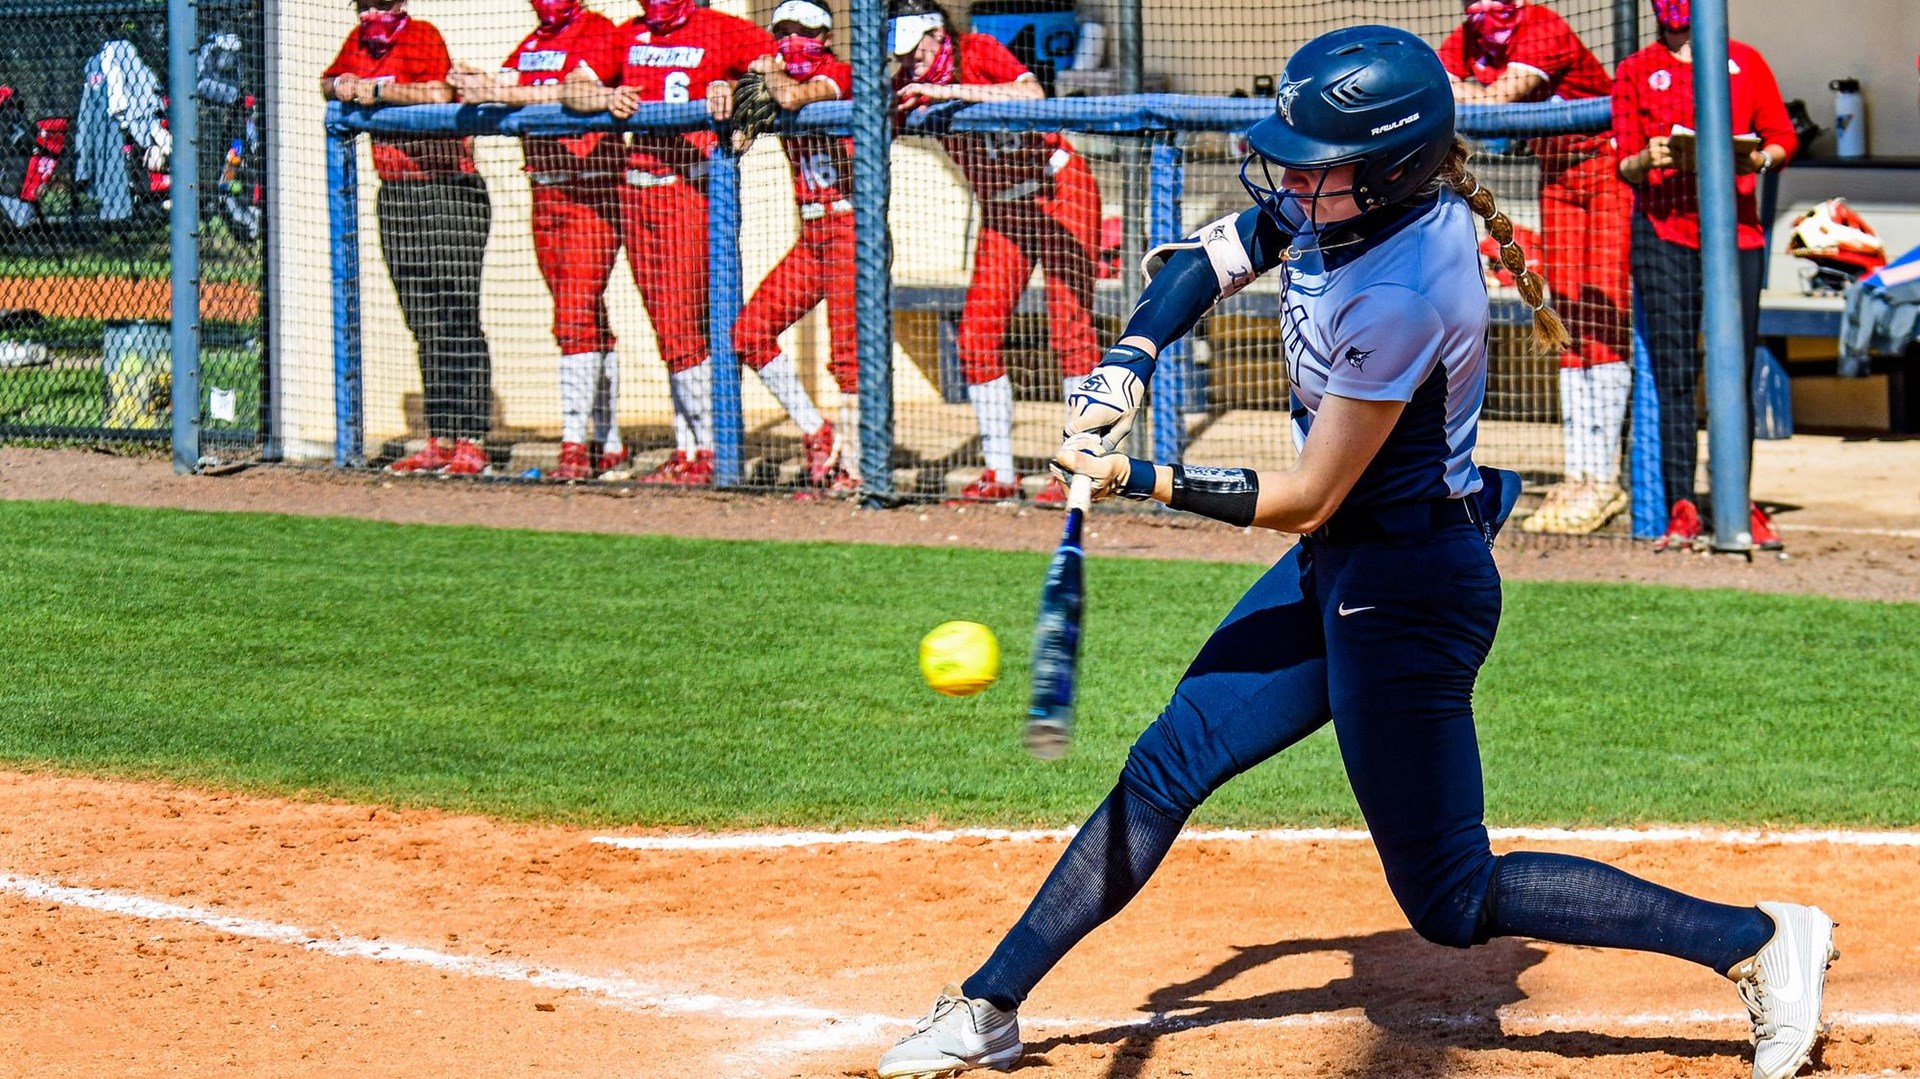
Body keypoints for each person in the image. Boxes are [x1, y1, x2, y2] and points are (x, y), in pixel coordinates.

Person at [877, 25, 1835, 1079]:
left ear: (1387, 171)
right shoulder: (1343, 202)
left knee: (1452, 896)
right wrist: (1128, 361)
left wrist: (1135, 476)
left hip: (1409, 591)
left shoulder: (1403, 292)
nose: (1289, 181)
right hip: (1340, 567)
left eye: (1314, 165)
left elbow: (1308, 494)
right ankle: (989, 1004)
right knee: (1165, 766)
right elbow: (1214, 256)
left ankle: (1760, 939)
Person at [889, 0, 1102, 505]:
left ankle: (1079, 470)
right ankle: (1000, 472)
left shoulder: (977, 50)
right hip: (1003, 210)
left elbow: (1032, 94)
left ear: (937, 34)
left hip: (1059, 187)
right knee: (976, 335)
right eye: (901, 55)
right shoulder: (906, 84)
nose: (910, 61)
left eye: (916, 49)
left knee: (1070, 327)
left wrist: (947, 93)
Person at [560, 0, 774, 486]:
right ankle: (688, 449)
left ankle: (713, 449)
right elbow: (573, 86)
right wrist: (603, 97)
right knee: (665, 328)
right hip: (637, 191)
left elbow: (774, 70)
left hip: (687, 190)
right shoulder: (630, 33)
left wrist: (737, 89)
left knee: (683, 324)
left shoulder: (720, 28)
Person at [1439, 0, 1632, 535]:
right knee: (1564, 319)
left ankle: (1604, 477)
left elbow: (1498, 99)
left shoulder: (1541, 23)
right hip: (1557, 171)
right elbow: (1438, 84)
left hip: (1606, 165)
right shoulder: (1471, 35)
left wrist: (1470, 91)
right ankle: (1579, 474)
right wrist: (1469, 91)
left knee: (1603, 316)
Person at [1612, 0, 1796, 551]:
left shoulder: (1746, 61)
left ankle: (1736, 500)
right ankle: (1682, 505)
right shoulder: (1637, 69)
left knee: (1734, 372)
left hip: (1736, 237)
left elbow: (1782, 137)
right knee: (1674, 374)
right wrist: (1650, 157)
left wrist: (1758, 159)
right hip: (1663, 234)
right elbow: (1624, 163)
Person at [450, 0, 629, 482]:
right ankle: (609, 441)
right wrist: (473, 81)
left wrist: (500, 91)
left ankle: (574, 445)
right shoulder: (534, 42)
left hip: (591, 190)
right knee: (584, 316)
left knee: (573, 315)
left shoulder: (597, 30)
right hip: (545, 193)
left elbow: (576, 91)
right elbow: (505, 84)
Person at [324, 0, 496, 476]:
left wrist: (379, 90)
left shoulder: (421, 34)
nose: (368, 14)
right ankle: (440, 436)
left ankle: (472, 438)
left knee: (458, 313)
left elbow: (439, 93)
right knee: (423, 320)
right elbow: (328, 81)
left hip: (448, 190)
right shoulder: (360, 42)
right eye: (362, 6)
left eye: (378, 5)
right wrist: (342, 85)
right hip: (397, 193)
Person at [731, 0, 856, 495]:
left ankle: (857, 468)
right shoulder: (775, 79)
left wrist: (766, 71)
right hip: (812, 236)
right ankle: (816, 432)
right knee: (749, 333)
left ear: (824, 36)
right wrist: (731, 98)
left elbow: (793, 96)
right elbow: (745, 125)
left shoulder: (840, 72)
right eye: (781, 31)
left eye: (801, 30)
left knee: (849, 358)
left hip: (852, 232)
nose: (789, 41)